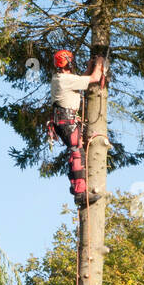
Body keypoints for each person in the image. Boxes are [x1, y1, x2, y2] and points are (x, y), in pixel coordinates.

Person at [49, 49, 104, 207]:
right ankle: (80, 193)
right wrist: (100, 62)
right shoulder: (65, 79)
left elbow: (82, 80)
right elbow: (94, 78)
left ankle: (77, 187)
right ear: (69, 62)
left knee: (75, 152)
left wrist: (90, 66)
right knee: (77, 153)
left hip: (64, 121)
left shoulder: (61, 78)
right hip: (67, 121)